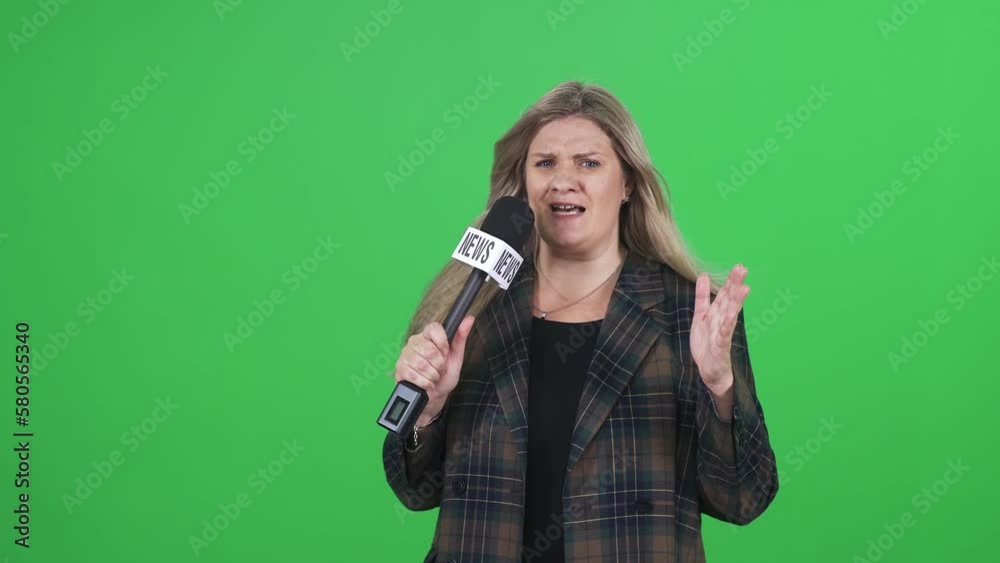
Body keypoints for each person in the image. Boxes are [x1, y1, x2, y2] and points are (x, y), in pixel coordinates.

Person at [382, 80, 779, 563]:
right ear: (523, 182)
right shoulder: (472, 309)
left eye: (588, 163)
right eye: (545, 163)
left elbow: (743, 498)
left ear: (627, 183)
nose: (562, 180)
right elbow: (415, 491)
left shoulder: (690, 312)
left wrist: (720, 389)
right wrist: (429, 410)